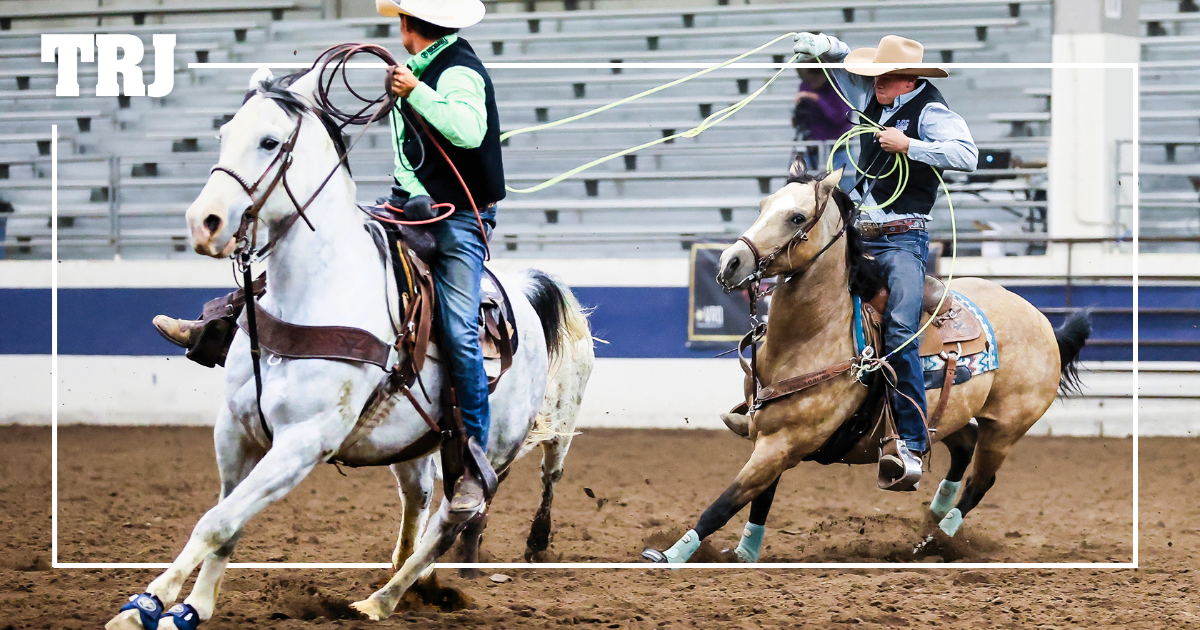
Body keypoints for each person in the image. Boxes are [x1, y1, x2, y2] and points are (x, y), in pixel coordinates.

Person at [153, 0, 505, 514]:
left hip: (458, 220)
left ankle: (473, 461)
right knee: (321, 246)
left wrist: (417, 93)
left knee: (458, 328)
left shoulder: (458, 73)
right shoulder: (424, 67)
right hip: (408, 206)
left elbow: (468, 131)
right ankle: (219, 322)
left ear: (409, 25)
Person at [792, 33, 978, 491]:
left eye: (886, 77)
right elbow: (843, 64)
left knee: (899, 328)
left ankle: (911, 445)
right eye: (875, 75)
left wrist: (909, 145)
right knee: (799, 293)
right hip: (859, 231)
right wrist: (823, 43)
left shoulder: (931, 112)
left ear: (909, 79)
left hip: (903, 237)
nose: (875, 83)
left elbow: (966, 154)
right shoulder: (873, 95)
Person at [791, 67, 853, 189]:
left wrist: (817, 99)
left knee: (846, 187)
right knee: (804, 186)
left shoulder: (838, 88)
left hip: (837, 146)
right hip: (812, 145)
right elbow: (802, 118)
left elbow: (839, 117)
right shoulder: (805, 86)